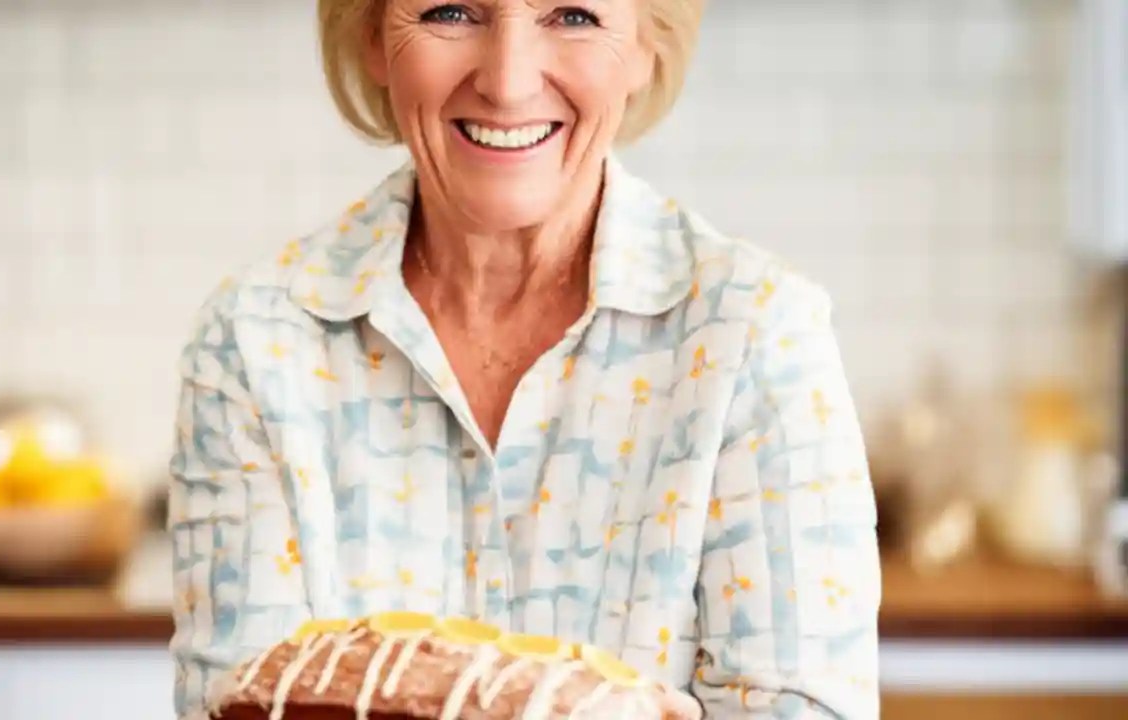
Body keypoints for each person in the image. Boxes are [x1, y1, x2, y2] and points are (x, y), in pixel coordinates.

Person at [169, 0, 881, 717]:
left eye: (573, 16)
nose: (507, 83)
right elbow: (235, 703)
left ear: (644, 46)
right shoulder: (255, 340)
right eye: (450, 11)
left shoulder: (755, 332)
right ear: (373, 40)